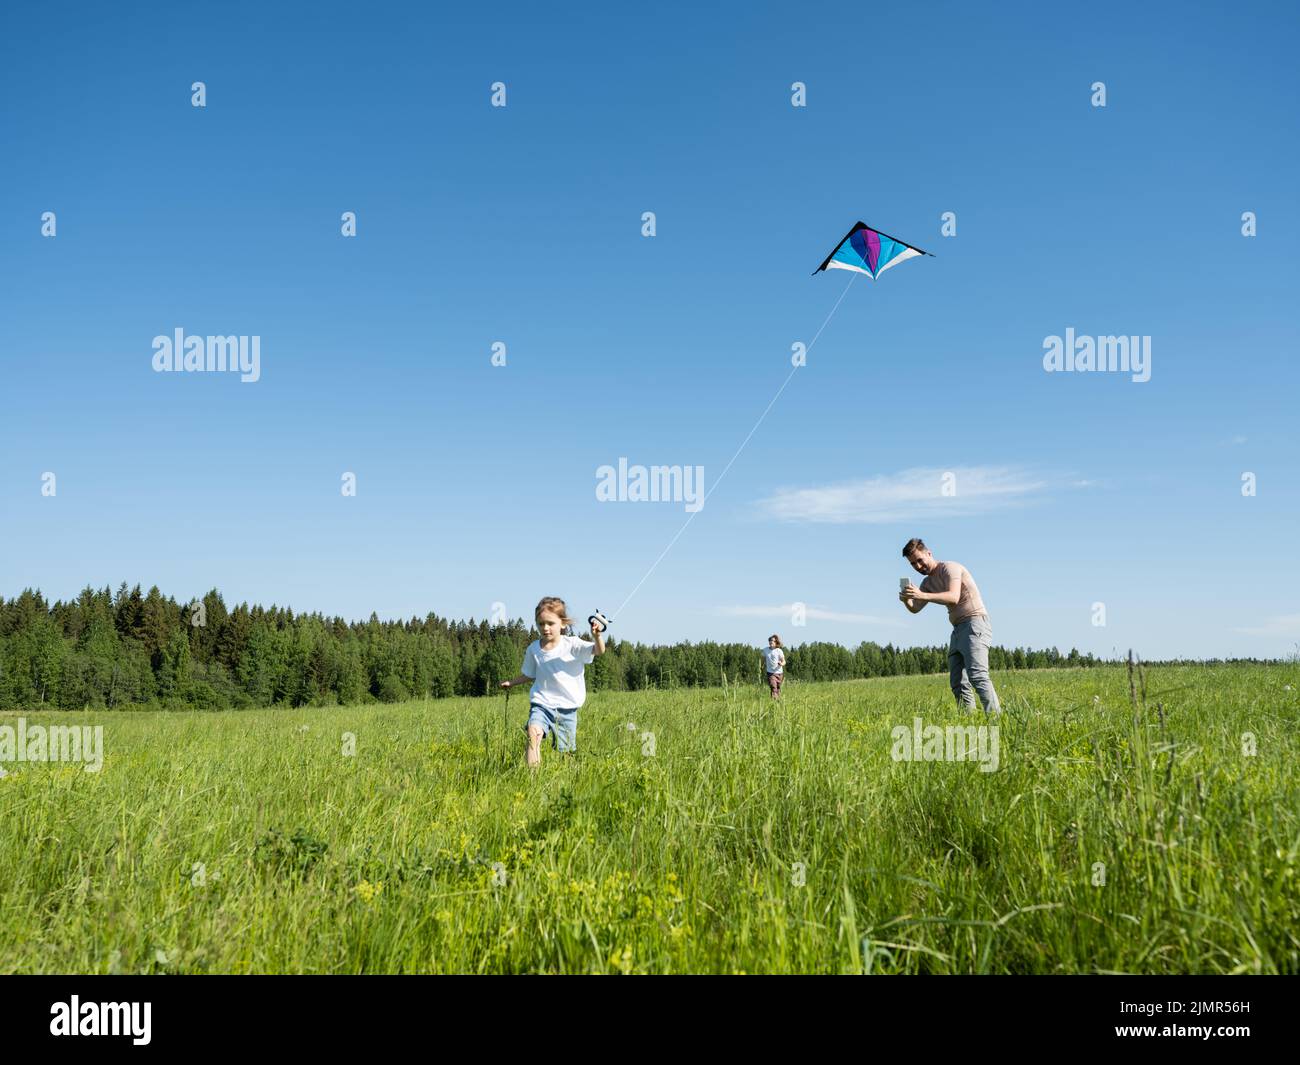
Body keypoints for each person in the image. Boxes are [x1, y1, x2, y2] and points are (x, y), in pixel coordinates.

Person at [897, 538, 1001, 715]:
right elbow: (915, 609)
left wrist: (922, 595)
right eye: (913, 564)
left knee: (977, 676)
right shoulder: (928, 583)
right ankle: (969, 720)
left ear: (929, 553)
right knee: (958, 682)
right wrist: (906, 600)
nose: (918, 566)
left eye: (920, 560)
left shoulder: (949, 568)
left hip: (975, 624)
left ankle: (997, 719)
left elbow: (953, 597)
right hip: (958, 629)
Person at [500, 596, 605, 767]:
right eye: (541, 624)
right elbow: (530, 674)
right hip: (542, 704)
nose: (545, 628)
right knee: (533, 733)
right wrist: (512, 683)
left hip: (567, 709)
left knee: (567, 753)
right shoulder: (533, 649)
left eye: (550, 623)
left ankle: (568, 781)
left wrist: (597, 636)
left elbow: (599, 651)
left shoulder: (573, 645)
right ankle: (532, 779)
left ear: (563, 623)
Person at [762, 634, 786, 699]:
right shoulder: (765, 650)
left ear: (776, 642)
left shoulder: (779, 651)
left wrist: (781, 664)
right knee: (773, 687)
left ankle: (777, 701)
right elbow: (763, 659)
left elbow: (784, 662)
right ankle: (774, 700)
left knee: (778, 688)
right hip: (770, 673)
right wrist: (761, 666)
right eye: (770, 640)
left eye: (772, 640)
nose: (771, 642)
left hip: (779, 673)